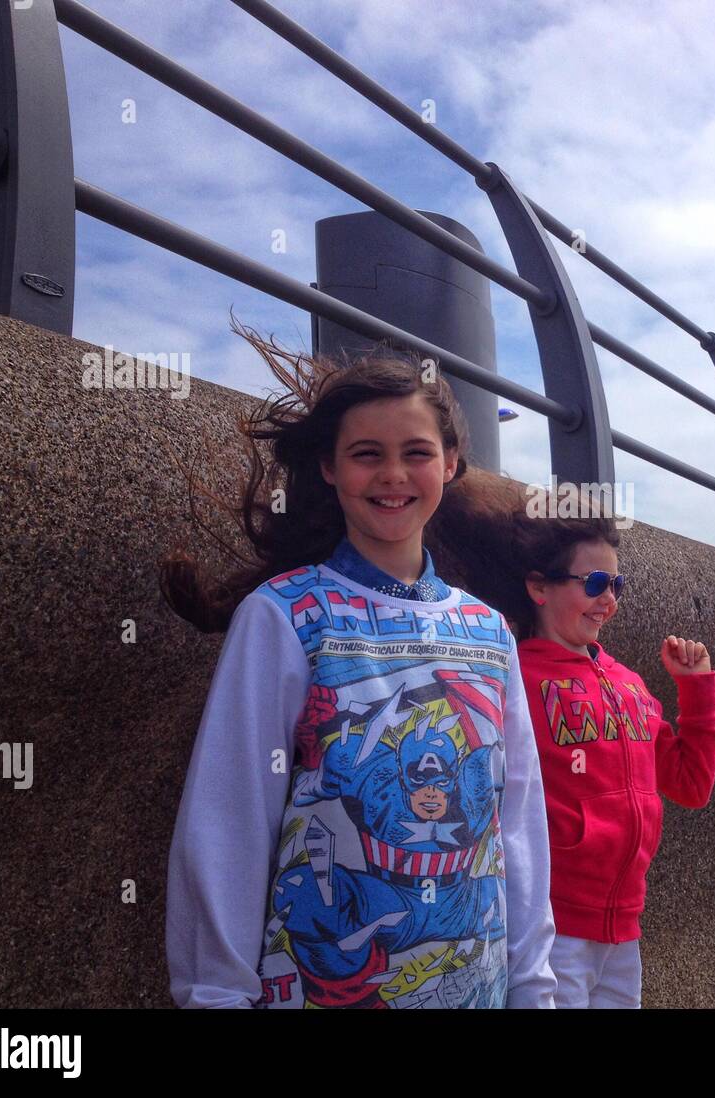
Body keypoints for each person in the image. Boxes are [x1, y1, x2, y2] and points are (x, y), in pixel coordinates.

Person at [162, 326, 556, 1009]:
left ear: (452, 463)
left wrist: (533, 988)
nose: (393, 475)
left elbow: (516, 827)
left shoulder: (490, 632)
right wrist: (215, 994)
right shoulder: (281, 615)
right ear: (330, 469)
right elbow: (228, 820)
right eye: (366, 455)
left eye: (417, 453)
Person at [451, 502, 715, 1008]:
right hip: (552, 929)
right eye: (595, 583)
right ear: (538, 587)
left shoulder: (631, 685)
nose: (609, 602)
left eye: (617, 586)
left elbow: (691, 785)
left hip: (624, 930)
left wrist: (697, 690)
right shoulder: (516, 678)